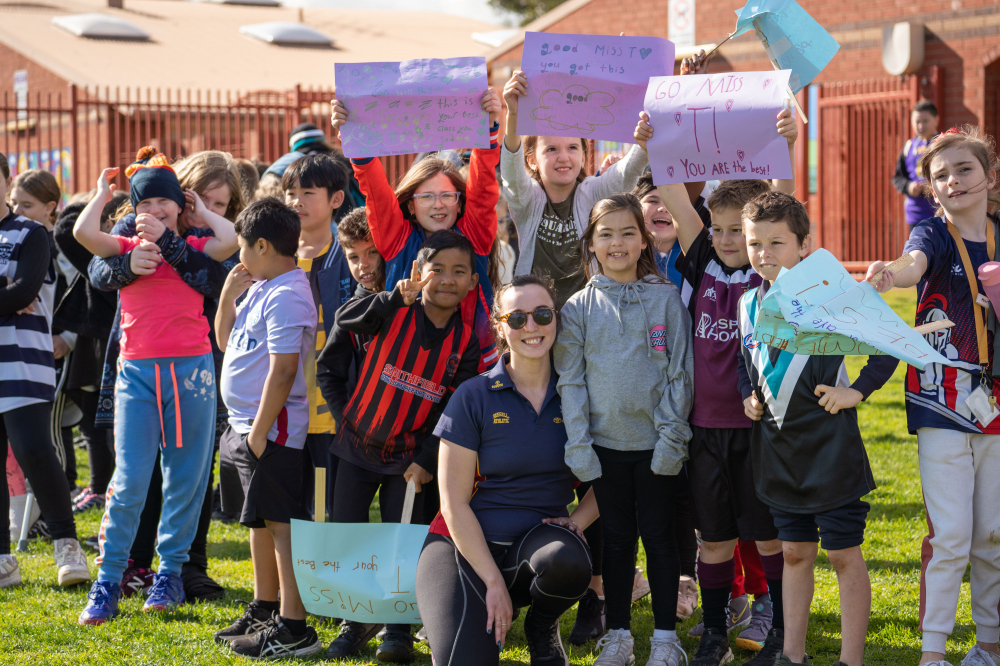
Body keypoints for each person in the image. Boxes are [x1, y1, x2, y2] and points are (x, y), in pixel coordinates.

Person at [635, 107, 800, 665]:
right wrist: (655, 142)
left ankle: (776, 630)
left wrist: (787, 145)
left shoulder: (765, 266)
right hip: (704, 427)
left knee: (768, 536)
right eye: (722, 228)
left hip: (759, 428)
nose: (731, 239)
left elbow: (782, 208)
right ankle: (714, 635)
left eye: (742, 232)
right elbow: (677, 198)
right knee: (716, 539)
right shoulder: (702, 255)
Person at [74, 148, 236, 624]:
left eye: (164, 202)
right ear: (135, 209)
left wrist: (201, 212)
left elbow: (232, 240)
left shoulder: (196, 245)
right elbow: (84, 235)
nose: (154, 210)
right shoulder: (126, 249)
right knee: (128, 480)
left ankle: (170, 575)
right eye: (145, 204)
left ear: (177, 205)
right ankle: (108, 582)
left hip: (191, 371)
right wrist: (103, 195)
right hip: (137, 373)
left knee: (186, 478)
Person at [737, 191, 897, 666]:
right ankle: (792, 655)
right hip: (779, 450)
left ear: (804, 245)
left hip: (831, 447)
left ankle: (851, 660)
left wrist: (858, 391)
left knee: (844, 554)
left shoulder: (832, 295)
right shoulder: (747, 303)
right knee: (793, 553)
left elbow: (889, 343)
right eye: (754, 244)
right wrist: (748, 396)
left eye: (777, 243)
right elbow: (748, 364)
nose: (764, 254)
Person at [416, 273, 598, 665]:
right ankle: (450, 618)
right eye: (517, 319)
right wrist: (492, 582)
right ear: (500, 327)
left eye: (542, 315)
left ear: (556, 319)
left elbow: (615, 471)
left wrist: (578, 521)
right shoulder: (474, 396)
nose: (531, 327)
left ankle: (541, 625)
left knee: (568, 560)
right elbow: (453, 503)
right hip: (461, 548)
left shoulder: (579, 394)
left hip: (535, 549)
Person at [869, 126, 1000, 666]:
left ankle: (989, 645)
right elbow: (911, 265)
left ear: (990, 176)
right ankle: (933, 652)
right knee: (949, 534)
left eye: (964, 169)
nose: (953, 181)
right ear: (929, 189)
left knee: (992, 534)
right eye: (940, 175)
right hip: (941, 398)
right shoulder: (933, 235)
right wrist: (889, 274)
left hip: (996, 400)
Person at [325, 230, 482, 663]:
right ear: (418, 272)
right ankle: (354, 623)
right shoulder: (391, 311)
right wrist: (348, 419)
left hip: (408, 462)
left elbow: (455, 409)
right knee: (350, 538)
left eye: (459, 272)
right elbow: (346, 320)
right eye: (437, 270)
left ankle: (397, 630)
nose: (447, 279)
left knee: (405, 542)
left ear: (472, 282)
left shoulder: (465, 342)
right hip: (355, 451)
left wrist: (427, 458)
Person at [554, 194, 694, 666]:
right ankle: (617, 635)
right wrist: (579, 444)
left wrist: (672, 440)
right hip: (604, 450)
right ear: (591, 242)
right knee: (614, 541)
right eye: (606, 233)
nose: (617, 242)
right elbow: (571, 381)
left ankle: (664, 639)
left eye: (627, 232)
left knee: (659, 538)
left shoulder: (666, 299)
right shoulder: (576, 309)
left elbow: (679, 373)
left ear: (644, 238)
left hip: (657, 448)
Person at [214, 197, 322, 658]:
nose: (239, 255)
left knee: (282, 526)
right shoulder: (260, 285)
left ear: (261, 244)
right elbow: (226, 342)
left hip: (271, 432)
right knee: (258, 521)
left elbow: (283, 371)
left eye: (242, 246)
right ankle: (265, 606)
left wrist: (259, 433)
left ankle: (295, 627)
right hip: (244, 427)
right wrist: (226, 298)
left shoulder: (289, 292)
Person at [330, 90, 502, 371]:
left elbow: (483, 185)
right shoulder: (396, 239)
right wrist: (353, 134)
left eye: (448, 196)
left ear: (460, 205)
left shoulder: (475, 235)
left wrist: (490, 127)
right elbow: (373, 187)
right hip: (407, 372)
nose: (438, 205)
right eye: (426, 197)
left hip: (472, 370)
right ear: (410, 206)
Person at [0, 155, 90, 590]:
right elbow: (10, 294)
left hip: (23, 363)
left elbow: (26, 289)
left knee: (35, 450)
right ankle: (4, 560)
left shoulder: (30, 233)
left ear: (5, 183)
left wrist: (13, 291)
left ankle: (66, 546)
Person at [500, 70, 648, 309]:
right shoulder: (528, 200)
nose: (563, 157)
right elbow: (511, 175)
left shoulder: (591, 193)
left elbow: (627, 173)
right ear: (531, 160)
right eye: (551, 149)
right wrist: (514, 113)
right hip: (536, 318)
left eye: (572, 147)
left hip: (587, 316)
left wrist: (644, 139)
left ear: (582, 155)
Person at [281, 153, 356, 519]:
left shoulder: (349, 257)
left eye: (308, 192)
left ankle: (324, 577)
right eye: (291, 192)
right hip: (283, 405)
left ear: (336, 199)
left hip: (330, 410)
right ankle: (290, 577)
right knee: (287, 507)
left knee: (326, 510)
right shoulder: (275, 256)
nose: (297, 201)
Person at [10, 169, 81, 492]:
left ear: (49, 206)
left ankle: (62, 492)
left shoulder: (60, 246)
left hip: (54, 348)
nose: (18, 211)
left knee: (52, 430)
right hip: (24, 348)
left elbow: (80, 295)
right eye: (14, 203)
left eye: (26, 205)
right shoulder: (14, 240)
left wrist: (68, 338)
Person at [316, 207, 384, 434]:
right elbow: (327, 372)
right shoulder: (350, 312)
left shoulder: (407, 302)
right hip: (360, 439)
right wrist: (348, 422)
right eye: (353, 257)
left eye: (372, 252)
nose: (362, 264)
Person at [893, 100, 940, 227]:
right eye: (917, 122)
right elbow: (898, 178)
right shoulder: (909, 146)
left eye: (925, 121)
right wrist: (909, 187)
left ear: (936, 120)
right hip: (916, 215)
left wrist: (932, 186)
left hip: (940, 214)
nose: (920, 126)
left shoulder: (943, 144)